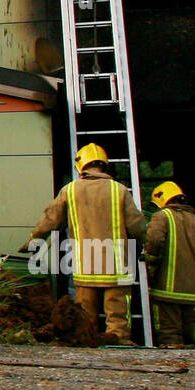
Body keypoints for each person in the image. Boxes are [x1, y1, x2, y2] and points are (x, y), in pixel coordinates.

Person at [26, 143, 146, 345]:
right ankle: (119, 341)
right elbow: (138, 226)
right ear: (105, 165)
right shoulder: (120, 190)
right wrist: (144, 247)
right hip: (117, 265)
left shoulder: (70, 190)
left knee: (85, 314)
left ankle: (85, 341)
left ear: (81, 166)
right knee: (117, 315)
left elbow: (50, 219)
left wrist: (34, 239)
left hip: (85, 265)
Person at [145, 181, 195, 347]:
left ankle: (174, 357)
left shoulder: (162, 217)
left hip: (166, 291)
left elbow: (153, 241)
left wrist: (151, 268)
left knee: (169, 331)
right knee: (194, 324)